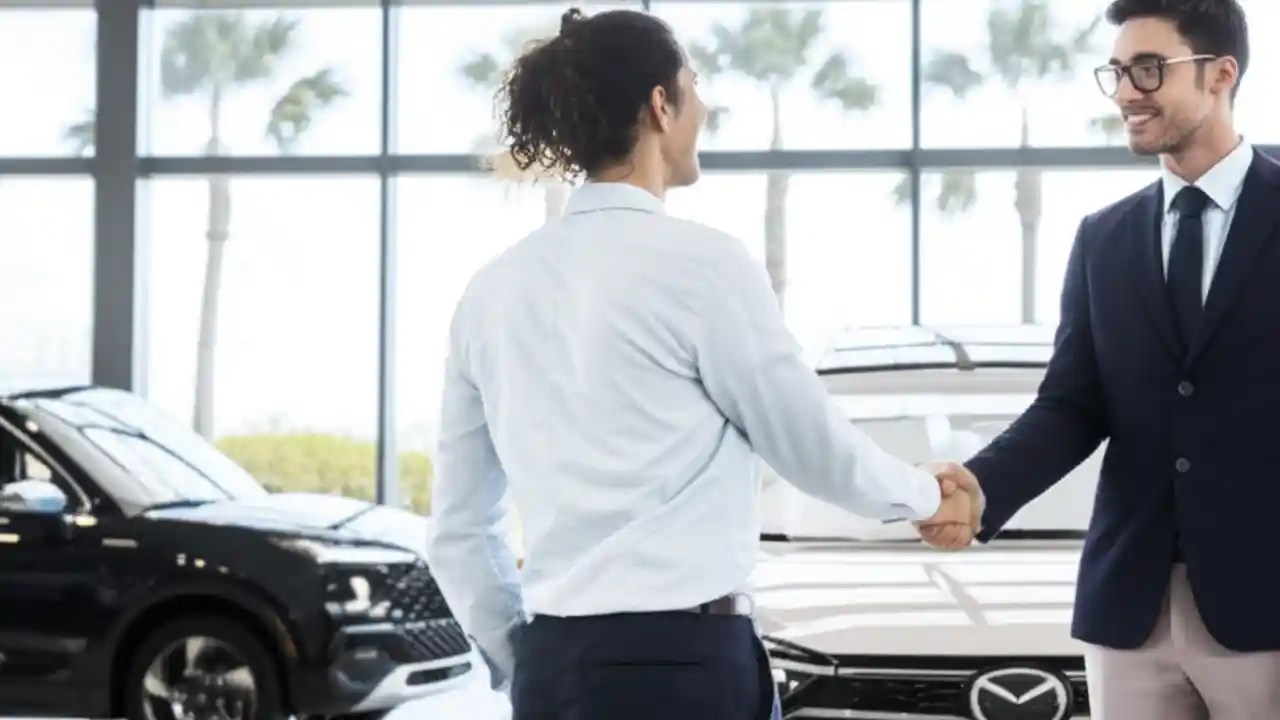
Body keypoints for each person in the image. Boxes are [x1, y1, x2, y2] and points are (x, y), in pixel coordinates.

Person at [425, 7, 975, 720]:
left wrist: (524, 659)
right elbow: (812, 449)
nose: (704, 105)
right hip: (686, 665)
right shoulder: (706, 267)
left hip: (556, 668)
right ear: (661, 104)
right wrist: (932, 497)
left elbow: (459, 531)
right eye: (694, 84)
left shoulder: (491, 290)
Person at [918, 0, 1280, 717]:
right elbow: (1073, 405)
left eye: (1148, 69)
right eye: (1115, 73)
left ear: (1220, 75)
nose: (1124, 93)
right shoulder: (1104, 239)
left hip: (1266, 598)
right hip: (1129, 606)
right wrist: (980, 487)